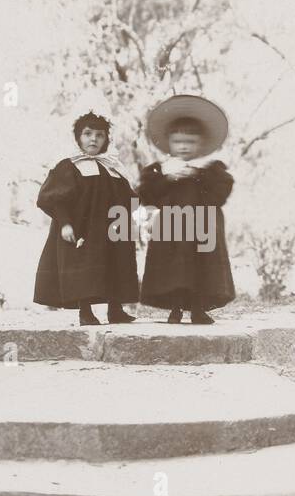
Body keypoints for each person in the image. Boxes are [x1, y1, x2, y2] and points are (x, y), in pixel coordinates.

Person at [33, 112, 139, 326]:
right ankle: (85, 311)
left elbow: (129, 197)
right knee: (84, 267)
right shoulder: (69, 166)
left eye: (99, 135)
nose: (93, 139)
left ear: (106, 139)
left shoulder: (113, 167)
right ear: (78, 138)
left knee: (116, 263)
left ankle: (115, 309)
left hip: (113, 228)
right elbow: (56, 198)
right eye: (87, 134)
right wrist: (65, 223)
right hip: (84, 229)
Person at [138, 95, 235, 325]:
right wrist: (167, 178)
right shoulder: (161, 170)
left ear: (200, 144)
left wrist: (197, 176)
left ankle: (199, 309)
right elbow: (146, 193)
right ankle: (175, 307)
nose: (184, 146)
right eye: (178, 141)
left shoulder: (210, 169)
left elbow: (221, 193)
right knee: (175, 268)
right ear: (169, 142)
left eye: (190, 142)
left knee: (202, 266)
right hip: (171, 228)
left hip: (202, 226)